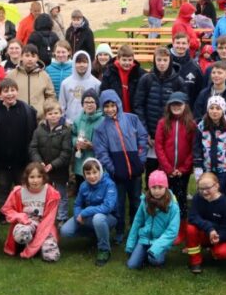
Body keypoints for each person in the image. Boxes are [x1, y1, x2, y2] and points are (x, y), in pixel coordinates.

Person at [92, 89, 148, 242]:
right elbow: (101, 153)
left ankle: (137, 228)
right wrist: (114, 169)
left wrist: (140, 160)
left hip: (135, 171)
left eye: (112, 105)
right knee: (119, 203)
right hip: (117, 174)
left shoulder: (132, 119)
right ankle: (120, 229)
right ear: (102, 108)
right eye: (106, 106)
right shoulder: (101, 128)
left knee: (136, 200)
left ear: (118, 104)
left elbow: (142, 138)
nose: (110, 109)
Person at [0, 78, 38, 211]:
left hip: (21, 157)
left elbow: (32, 134)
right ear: (0, 94)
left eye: (12, 90)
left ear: (17, 91)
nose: (9, 94)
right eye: (5, 91)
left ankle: (23, 209)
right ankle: (5, 211)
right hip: (0, 158)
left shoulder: (27, 110)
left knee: (22, 185)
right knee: (3, 186)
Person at [60, 157, 117, 266]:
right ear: (84, 174)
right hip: (89, 217)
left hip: (107, 217)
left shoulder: (109, 184)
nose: (92, 176)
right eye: (88, 173)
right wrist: (78, 216)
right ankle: (96, 235)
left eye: (95, 172)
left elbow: (108, 207)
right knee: (65, 231)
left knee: (98, 219)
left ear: (100, 171)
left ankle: (104, 250)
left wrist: (85, 212)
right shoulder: (83, 185)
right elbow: (77, 204)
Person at [1, 162, 61, 261]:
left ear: (43, 178)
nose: (35, 180)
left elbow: (49, 219)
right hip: (26, 223)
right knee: (21, 234)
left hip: (44, 225)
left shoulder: (51, 193)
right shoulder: (18, 191)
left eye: (39, 177)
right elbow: (7, 209)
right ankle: (29, 243)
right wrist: (19, 216)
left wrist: (40, 234)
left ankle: (36, 246)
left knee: (51, 256)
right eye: (32, 177)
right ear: (26, 178)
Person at [135, 48, 184, 165]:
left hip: (169, 134)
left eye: (165, 60)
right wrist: (145, 132)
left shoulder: (178, 81)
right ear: (154, 61)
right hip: (150, 134)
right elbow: (139, 106)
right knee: (151, 170)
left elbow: (183, 108)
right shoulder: (146, 80)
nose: (162, 63)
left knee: (168, 168)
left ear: (170, 61)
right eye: (159, 60)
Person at [154, 92, 196, 230]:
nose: (176, 107)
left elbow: (193, 148)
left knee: (181, 196)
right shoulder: (162, 123)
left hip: (183, 171)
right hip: (166, 169)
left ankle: (181, 226)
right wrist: (168, 168)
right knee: (165, 197)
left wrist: (183, 169)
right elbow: (159, 146)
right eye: (173, 104)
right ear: (169, 106)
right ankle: (165, 224)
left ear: (185, 106)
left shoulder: (191, 124)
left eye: (179, 104)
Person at [28, 100, 73, 223]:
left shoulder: (66, 131)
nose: (53, 116)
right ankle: (44, 215)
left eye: (56, 113)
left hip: (59, 169)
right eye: (50, 113)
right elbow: (33, 148)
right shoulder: (39, 130)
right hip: (42, 169)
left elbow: (66, 152)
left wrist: (53, 165)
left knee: (61, 194)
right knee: (43, 194)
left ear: (61, 113)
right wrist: (39, 162)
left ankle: (61, 217)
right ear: (45, 115)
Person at [125, 170, 180, 269]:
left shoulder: (173, 206)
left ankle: (154, 254)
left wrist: (156, 247)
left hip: (159, 240)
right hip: (144, 239)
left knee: (154, 260)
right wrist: (130, 244)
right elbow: (137, 222)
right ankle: (144, 253)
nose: (157, 191)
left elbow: (172, 232)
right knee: (132, 265)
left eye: (160, 187)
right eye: (153, 187)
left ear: (166, 187)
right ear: (149, 188)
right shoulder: (145, 201)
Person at [185, 172, 226, 274]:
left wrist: (219, 237)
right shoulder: (197, 198)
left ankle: (213, 251)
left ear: (217, 186)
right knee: (190, 228)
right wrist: (209, 229)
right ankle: (195, 261)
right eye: (201, 189)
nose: (204, 192)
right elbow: (192, 217)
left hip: (218, 236)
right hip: (204, 232)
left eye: (208, 188)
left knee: (224, 253)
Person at [192, 95, 226, 203]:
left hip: (223, 168)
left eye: (218, 108)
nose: (214, 111)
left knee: (222, 192)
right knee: (206, 191)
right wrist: (198, 166)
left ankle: (224, 211)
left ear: (223, 111)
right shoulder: (201, 127)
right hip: (206, 167)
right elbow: (197, 146)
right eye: (211, 108)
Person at [193, 60, 226, 126]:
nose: (216, 75)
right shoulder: (204, 93)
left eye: (219, 73)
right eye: (213, 72)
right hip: (206, 131)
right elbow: (197, 115)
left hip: (225, 132)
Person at [100, 44, 145, 114]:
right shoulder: (109, 73)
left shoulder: (139, 73)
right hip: (115, 113)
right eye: (124, 60)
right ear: (118, 58)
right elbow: (104, 93)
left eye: (130, 60)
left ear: (133, 59)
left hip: (134, 113)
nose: (127, 63)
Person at [59, 51, 100, 124]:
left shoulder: (96, 83)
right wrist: (64, 122)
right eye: (78, 62)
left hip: (89, 124)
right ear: (74, 64)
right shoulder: (65, 83)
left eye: (84, 62)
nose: (81, 65)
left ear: (89, 64)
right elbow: (62, 106)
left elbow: (99, 107)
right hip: (70, 123)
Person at [71, 89, 103, 185]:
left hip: (97, 160)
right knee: (82, 188)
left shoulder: (103, 121)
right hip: (80, 161)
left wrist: (92, 146)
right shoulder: (77, 120)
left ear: (97, 104)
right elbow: (73, 135)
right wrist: (76, 142)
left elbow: (106, 142)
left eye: (92, 102)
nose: (89, 104)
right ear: (82, 104)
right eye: (86, 102)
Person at [8, 44, 54, 111]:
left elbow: (50, 96)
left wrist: (45, 111)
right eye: (27, 56)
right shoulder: (12, 75)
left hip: (39, 118)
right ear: (21, 57)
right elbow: (4, 95)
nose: (30, 59)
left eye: (33, 56)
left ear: (37, 58)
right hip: (17, 116)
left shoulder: (44, 76)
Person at [169, 32, 204, 103]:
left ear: (188, 45)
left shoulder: (194, 67)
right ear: (173, 44)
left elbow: (200, 91)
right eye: (178, 43)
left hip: (188, 109)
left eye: (183, 43)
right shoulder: (165, 63)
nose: (180, 46)